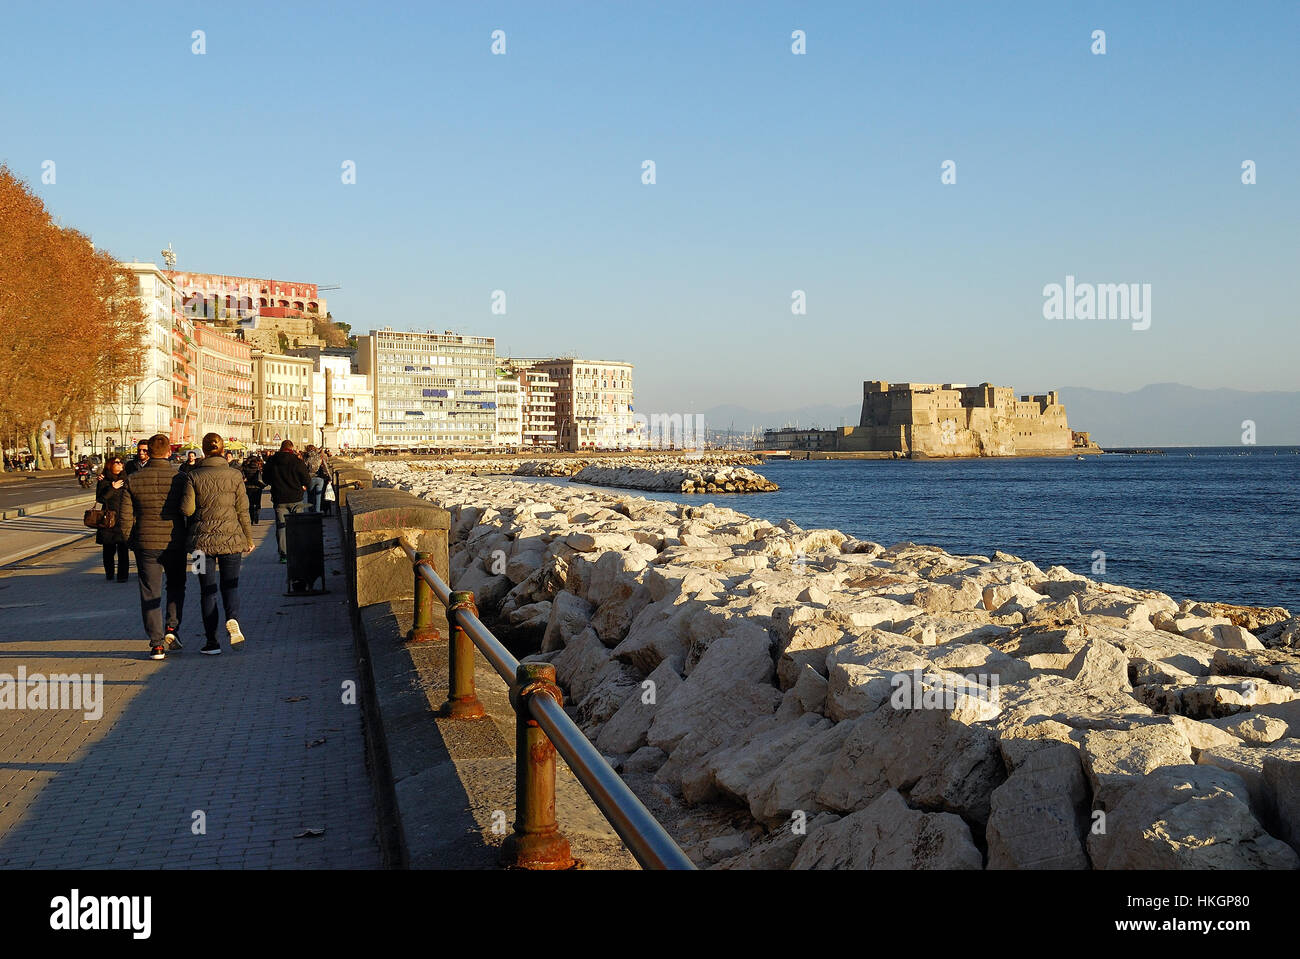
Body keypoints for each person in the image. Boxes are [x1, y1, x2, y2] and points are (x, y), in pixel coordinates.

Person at [117, 433, 189, 660]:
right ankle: (172, 628)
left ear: (148, 452)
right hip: (174, 541)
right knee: (176, 586)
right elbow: (188, 511)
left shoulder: (133, 479)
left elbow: (125, 516)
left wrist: (131, 540)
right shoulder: (180, 478)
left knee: (149, 591)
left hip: (145, 542)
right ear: (169, 452)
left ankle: (156, 644)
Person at [181, 433, 253, 655]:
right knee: (230, 585)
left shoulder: (192, 476)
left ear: (203, 450)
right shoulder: (235, 475)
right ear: (223, 450)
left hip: (200, 545)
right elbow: (243, 509)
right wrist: (248, 539)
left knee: (206, 590)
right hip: (232, 540)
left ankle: (212, 642)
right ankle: (232, 619)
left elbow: (187, 510)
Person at [263, 440, 310, 563]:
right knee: (297, 526)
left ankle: (284, 554)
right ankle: (297, 551)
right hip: (296, 498)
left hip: (279, 499)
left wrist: (275, 483)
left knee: (281, 526)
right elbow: (306, 479)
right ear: (291, 448)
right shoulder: (297, 461)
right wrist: (303, 486)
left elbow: (265, 479)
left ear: (281, 447)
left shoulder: (272, 461)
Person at [95, 456, 130, 582]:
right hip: (108, 519)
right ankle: (109, 574)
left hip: (123, 518)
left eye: (121, 462)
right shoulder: (104, 480)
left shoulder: (126, 479)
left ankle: (123, 576)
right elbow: (100, 499)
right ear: (110, 465)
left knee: (123, 549)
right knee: (108, 550)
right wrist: (112, 488)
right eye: (117, 463)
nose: (120, 464)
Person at [242, 454, 266, 524]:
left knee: (250, 503)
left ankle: (251, 518)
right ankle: (257, 513)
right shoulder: (259, 467)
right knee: (257, 502)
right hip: (257, 487)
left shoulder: (245, 467)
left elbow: (243, 477)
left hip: (248, 487)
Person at [304, 445, 326, 513]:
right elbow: (326, 468)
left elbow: (304, 469)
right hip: (320, 478)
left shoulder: (307, 458)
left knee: (310, 496)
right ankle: (318, 512)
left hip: (310, 478)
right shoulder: (320, 457)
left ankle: (311, 512)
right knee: (318, 497)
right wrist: (330, 478)